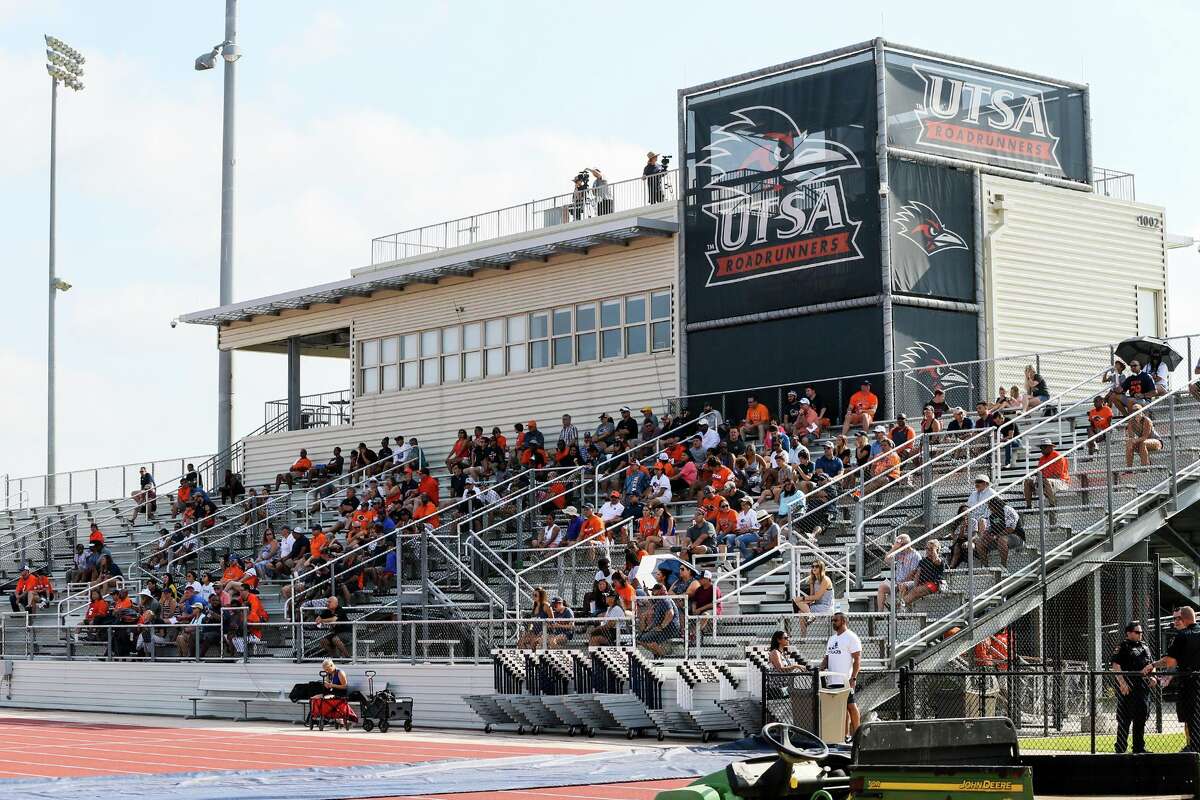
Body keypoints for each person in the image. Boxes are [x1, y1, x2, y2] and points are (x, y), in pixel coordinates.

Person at [1143, 606, 1200, 753]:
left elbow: (1170, 662)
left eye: (1177, 618)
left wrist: (1153, 664)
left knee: (1191, 717)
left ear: (1186, 618)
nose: (1174, 621)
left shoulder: (1182, 636)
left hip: (1190, 683)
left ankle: (1193, 748)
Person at [1110, 621, 1154, 754]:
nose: (1140, 634)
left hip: (1142, 689)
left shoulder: (1144, 646)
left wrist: (1153, 677)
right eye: (1137, 632)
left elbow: (1151, 664)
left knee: (1141, 719)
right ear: (1129, 633)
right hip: (1128, 689)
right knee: (1124, 720)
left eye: (1141, 632)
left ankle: (1138, 748)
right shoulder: (1123, 646)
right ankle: (1120, 748)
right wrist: (1122, 684)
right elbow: (1116, 666)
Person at [821, 611, 861, 737]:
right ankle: (845, 736)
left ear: (843, 621)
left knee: (851, 706)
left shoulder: (851, 637)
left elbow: (857, 659)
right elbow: (827, 658)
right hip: (832, 681)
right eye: (832, 620)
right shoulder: (832, 639)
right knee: (842, 709)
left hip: (845, 679)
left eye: (835, 620)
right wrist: (820, 669)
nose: (833, 623)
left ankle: (858, 734)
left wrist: (853, 677)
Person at [1023, 438, 1069, 526]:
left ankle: (1052, 506)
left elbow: (1057, 475)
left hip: (1061, 482)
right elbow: (1039, 473)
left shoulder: (1058, 456)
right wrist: (1037, 480)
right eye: (1041, 448)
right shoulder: (1041, 459)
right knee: (1027, 481)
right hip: (1045, 481)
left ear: (1050, 447)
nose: (1042, 450)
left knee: (1046, 480)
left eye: (1044, 447)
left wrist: (1041, 480)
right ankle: (1029, 507)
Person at [876, 534, 920, 611]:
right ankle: (880, 613)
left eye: (901, 544)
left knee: (903, 586)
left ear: (906, 544)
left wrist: (902, 582)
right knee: (882, 587)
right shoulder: (899, 552)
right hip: (897, 582)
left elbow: (913, 573)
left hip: (911, 582)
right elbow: (886, 559)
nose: (899, 546)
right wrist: (894, 548)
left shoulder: (915, 555)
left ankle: (901, 612)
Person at [791, 559, 834, 636]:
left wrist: (802, 599)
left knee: (800, 602)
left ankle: (810, 615)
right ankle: (803, 638)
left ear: (821, 568)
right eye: (812, 566)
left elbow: (817, 597)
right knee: (800, 612)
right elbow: (812, 597)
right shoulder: (812, 579)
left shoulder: (826, 579)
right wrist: (803, 603)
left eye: (817, 566)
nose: (814, 568)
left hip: (826, 607)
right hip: (816, 605)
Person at [902, 539, 944, 608]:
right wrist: (915, 587)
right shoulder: (922, 561)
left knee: (915, 591)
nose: (928, 550)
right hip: (922, 584)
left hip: (933, 585)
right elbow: (917, 576)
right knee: (904, 586)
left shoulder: (940, 560)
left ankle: (899, 606)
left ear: (936, 550)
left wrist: (934, 549)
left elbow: (936, 560)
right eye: (927, 548)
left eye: (931, 549)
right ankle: (904, 607)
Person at [1124, 403, 1162, 472]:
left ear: (1141, 410)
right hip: (1141, 441)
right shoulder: (1131, 422)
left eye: (1137, 410)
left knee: (1143, 443)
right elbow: (1131, 436)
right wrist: (1130, 440)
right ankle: (1129, 469)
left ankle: (1145, 468)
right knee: (1129, 444)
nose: (1136, 412)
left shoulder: (1146, 420)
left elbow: (1145, 436)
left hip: (1156, 441)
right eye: (1133, 410)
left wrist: (1134, 440)